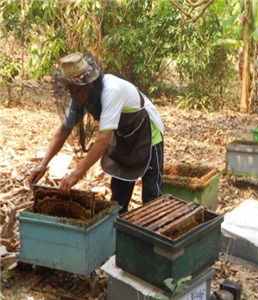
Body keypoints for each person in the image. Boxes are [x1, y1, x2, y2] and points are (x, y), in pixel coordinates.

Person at [29, 52, 164, 214]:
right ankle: (119, 235)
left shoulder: (111, 90)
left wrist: (76, 173)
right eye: (69, 92)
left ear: (88, 85)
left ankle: (156, 236)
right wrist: (43, 163)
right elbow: (63, 130)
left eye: (75, 91)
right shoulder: (79, 98)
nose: (73, 97)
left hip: (147, 134)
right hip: (122, 138)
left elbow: (103, 139)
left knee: (152, 195)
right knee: (119, 194)